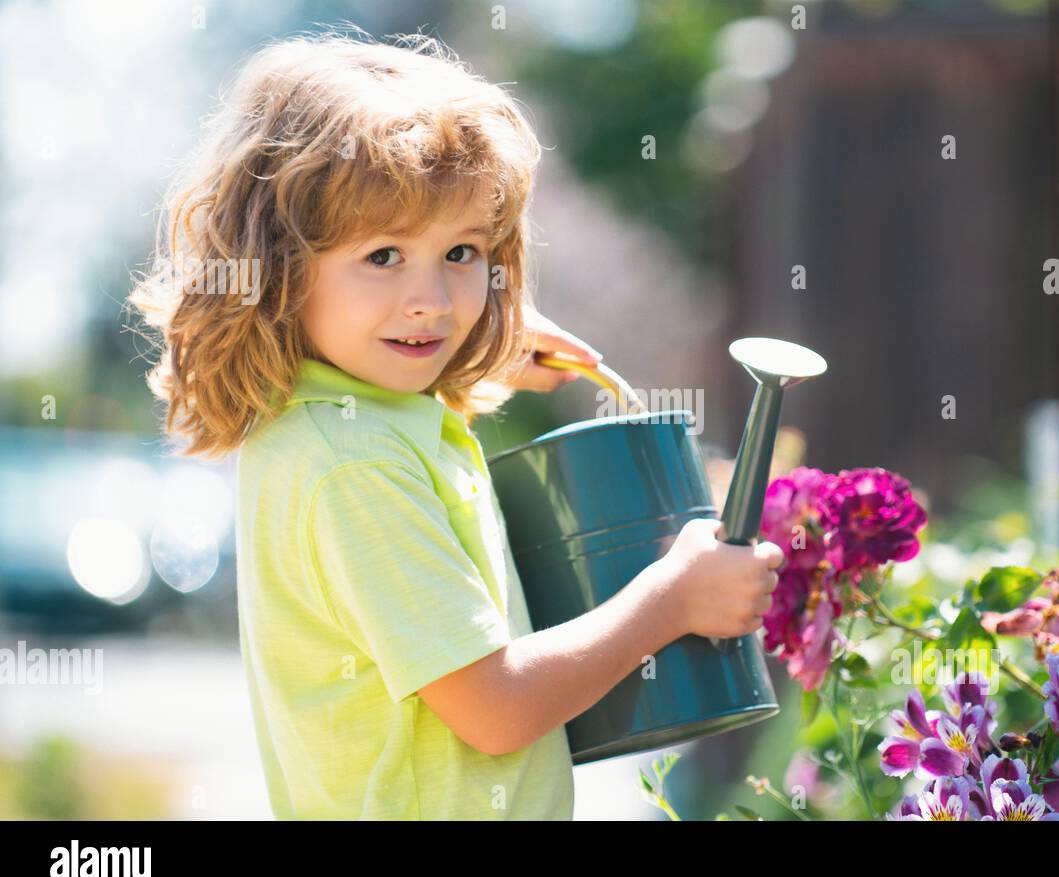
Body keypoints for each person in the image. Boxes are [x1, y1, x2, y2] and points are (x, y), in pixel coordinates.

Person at [126, 29, 783, 820]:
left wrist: (484, 347)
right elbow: (494, 707)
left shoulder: (339, 418)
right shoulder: (356, 466)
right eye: (383, 257)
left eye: (463, 251)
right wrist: (668, 600)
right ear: (279, 270)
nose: (431, 301)